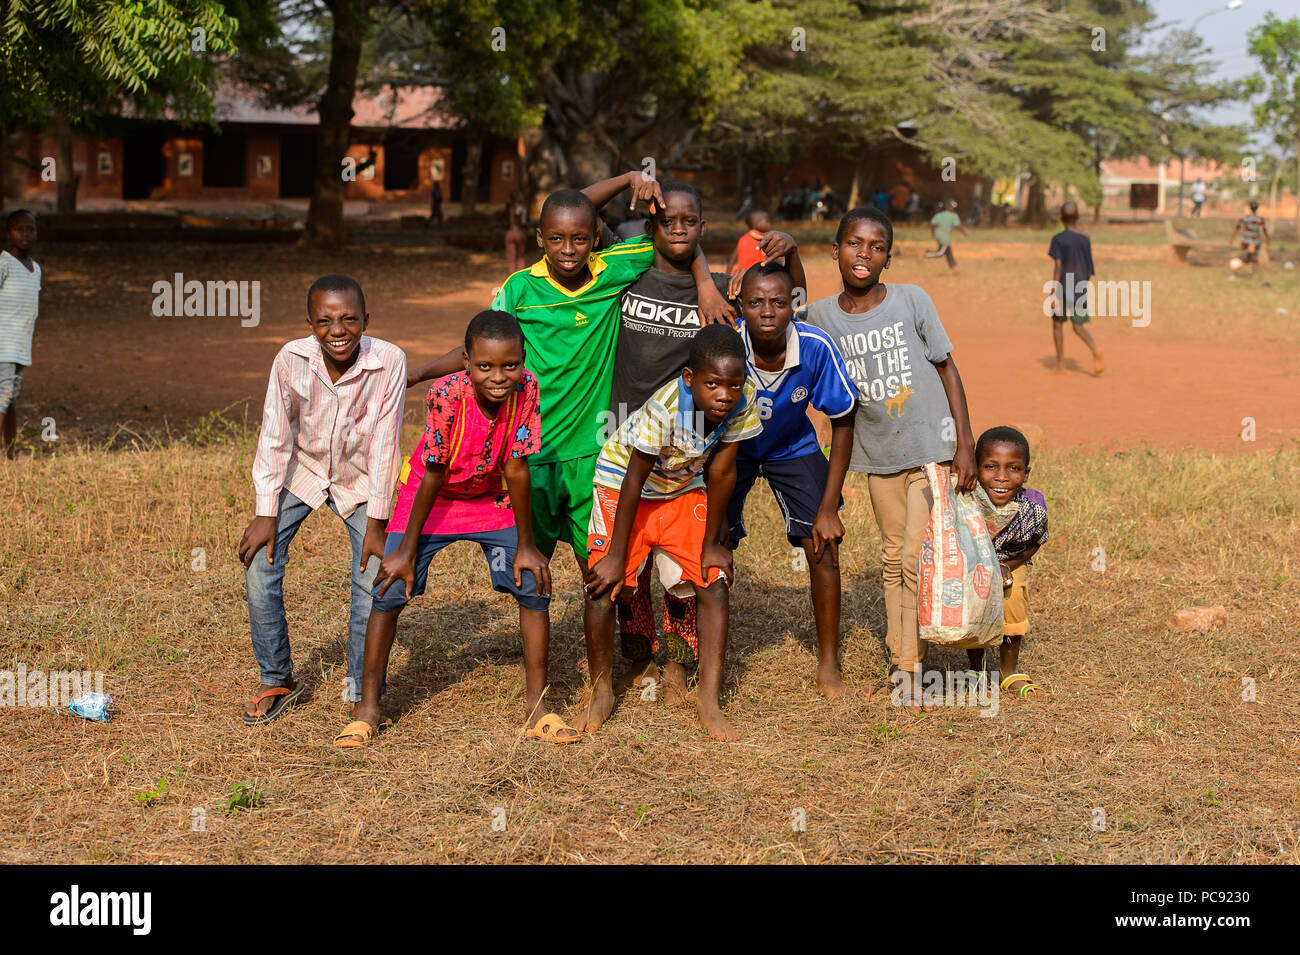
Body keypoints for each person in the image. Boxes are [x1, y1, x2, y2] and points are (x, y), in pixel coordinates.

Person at [405, 170, 733, 733]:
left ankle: (619, 671)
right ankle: (541, 682)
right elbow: (475, 351)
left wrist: (704, 280)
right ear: (539, 239)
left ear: (596, 236)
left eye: (579, 238)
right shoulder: (518, 290)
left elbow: (678, 233)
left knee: (600, 573)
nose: (568, 249)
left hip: (593, 456)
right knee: (532, 568)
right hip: (527, 460)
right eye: (555, 238)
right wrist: (410, 377)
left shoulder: (615, 267)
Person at [333, 310, 568, 746]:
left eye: (509, 366)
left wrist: (527, 544)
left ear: (522, 361)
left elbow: (517, 467)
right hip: (432, 496)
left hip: (490, 494)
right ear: (466, 361)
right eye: (485, 367)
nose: (498, 377)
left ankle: (538, 706)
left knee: (533, 584)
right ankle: (367, 707)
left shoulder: (528, 389)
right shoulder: (446, 394)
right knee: (387, 588)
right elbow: (433, 473)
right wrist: (404, 549)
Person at [608, 181, 801, 698]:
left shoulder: (717, 288)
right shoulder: (626, 276)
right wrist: (630, 179)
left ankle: (678, 661)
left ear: (701, 229)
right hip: (625, 438)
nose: (677, 229)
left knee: (682, 566)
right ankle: (637, 653)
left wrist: (790, 252)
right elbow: (578, 211)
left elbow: (785, 303)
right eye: (666, 220)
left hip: (685, 450)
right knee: (631, 563)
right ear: (651, 224)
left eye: (689, 222)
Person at [802, 207, 977, 714]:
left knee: (912, 560)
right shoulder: (820, 316)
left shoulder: (912, 300)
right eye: (854, 244)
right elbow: (784, 327)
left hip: (931, 450)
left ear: (888, 258)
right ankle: (904, 659)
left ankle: (910, 668)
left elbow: (948, 369)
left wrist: (964, 443)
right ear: (836, 251)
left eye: (876, 247)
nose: (864, 254)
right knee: (891, 556)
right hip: (876, 456)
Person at [238, 275, 407, 724]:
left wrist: (377, 523)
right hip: (305, 470)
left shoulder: (389, 360)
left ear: (366, 320)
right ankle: (276, 677)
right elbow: (275, 435)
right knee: (260, 564)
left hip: (362, 480)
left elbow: (386, 445)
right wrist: (265, 513)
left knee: (374, 578)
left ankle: (361, 690)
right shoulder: (290, 359)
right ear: (309, 323)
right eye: (325, 320)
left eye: (350, 319)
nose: (338, 330)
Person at [585, 324, 762, 740]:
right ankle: (601, 694)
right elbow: (633, 478)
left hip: (682, 485)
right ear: (689, 379)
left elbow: (721, 470)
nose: (724, 395)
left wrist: (713, 543)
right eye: (713, 384)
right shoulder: (665, 407)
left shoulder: (744, 400)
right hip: (623, 485)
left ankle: (709, 699)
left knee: (712, 581)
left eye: (733, 385)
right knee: (603, 585)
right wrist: (615, 553)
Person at [728, 262, 857, 697]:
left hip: (792, 445)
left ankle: (828, 662)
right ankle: (701, 655)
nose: (768, 311)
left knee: (823, 545)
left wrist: (827, 506)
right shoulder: (727, 345)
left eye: (779, 302)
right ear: (740, 306)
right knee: (710, 540)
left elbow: (843, 421)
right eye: (756, 302)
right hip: (732, 447)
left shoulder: (815, 346)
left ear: (794, 306)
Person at [965, 426, 1049, 700]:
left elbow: (1036, 541)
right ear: (976, 469)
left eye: (1013, 468)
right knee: (976, 607)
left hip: (1010, 563)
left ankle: (1008, 671)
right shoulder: (966, 502)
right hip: (972, 565)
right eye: (990, 467)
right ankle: (975, 669)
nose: (1001, 477)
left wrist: (1009, 566)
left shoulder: (1033, 508)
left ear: (1026, 474)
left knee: (1012, 602)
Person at [0, 209, 40, 459]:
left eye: (30, 229)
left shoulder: (36, 269)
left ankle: (12, 454)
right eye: (19, 229)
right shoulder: (4, 264)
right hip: (3, 344)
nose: (25, 235)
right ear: (8, 233)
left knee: (11, 399)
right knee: (3, 397)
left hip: (20, 346)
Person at [1047, 200, 1103, 375]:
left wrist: (1054, 290)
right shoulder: (1085, 238)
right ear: (1077, 217)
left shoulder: (1058, 239)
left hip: (1063, 285)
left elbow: (1058, 265)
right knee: (1078, 326)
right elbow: (1089, 267)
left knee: (1057, 325)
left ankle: (1061, 365)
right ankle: (1095, 349)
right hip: (1080, 284)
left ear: (1062, 218)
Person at [727, 209, 773, 276]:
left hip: (738, 274)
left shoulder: (742, 238)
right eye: (767, 221)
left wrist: (727, 276)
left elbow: (732, 259)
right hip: (756, 274)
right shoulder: (764, 238)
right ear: (757, 223)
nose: (769, 224)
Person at [924, 199, 966, 269]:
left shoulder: (939, 215)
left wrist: (933, 233)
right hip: (944, 238)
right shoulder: (953, 216)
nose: (953, 208)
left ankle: (953, 269)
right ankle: (925, 254)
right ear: (948, 207)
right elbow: (958, 226)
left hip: (939, 236)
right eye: (952, 207)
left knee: (948, 252)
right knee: (941, 253)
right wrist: (964, 233)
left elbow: (932, 224)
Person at [1229, 200, 1269, 266]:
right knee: (1254, 257)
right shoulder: (1260, 219)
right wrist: (1268, 240)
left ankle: (1246, 263)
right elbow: (1265, 230)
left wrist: (1232, 238)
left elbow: (1237, 228)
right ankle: (1251, 266)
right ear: (1257, 208)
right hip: (1256, 241)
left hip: (1246, 241)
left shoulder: (1245, 218)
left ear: (1250, 208)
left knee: (1246, 257)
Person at [504, 189, 528, 273]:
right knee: (520, 256)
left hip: (510, 233)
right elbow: (523, 222)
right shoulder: (522, 208)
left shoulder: (509, 208)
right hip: (519, 233)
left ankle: (511, 276)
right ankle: (520, 277)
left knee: (511, 257)